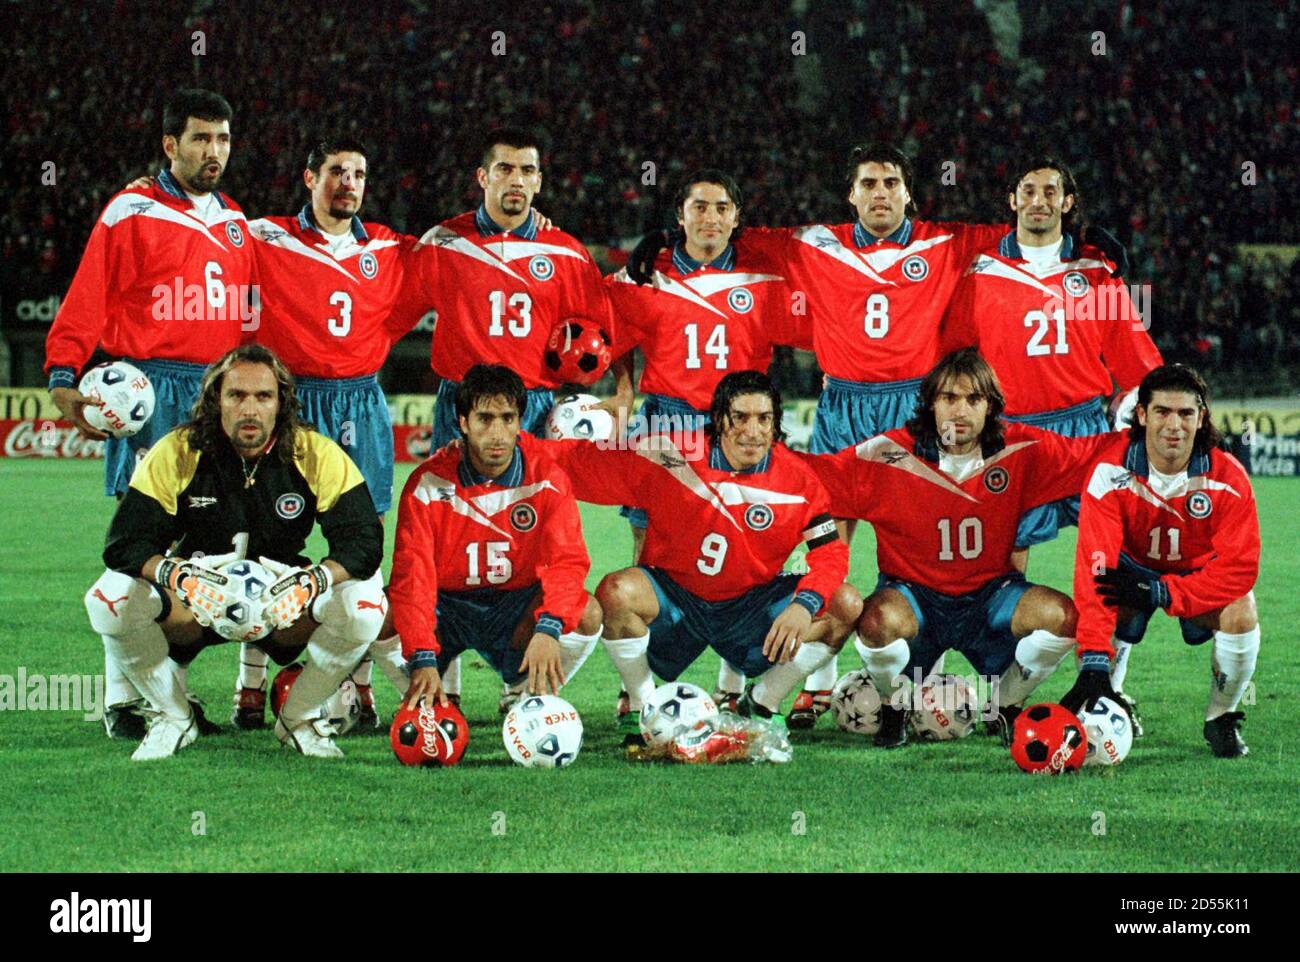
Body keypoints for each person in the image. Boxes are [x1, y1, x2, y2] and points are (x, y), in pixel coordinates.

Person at [628, 142, 1128, 724]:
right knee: (821, 529)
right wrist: (663, 241)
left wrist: (1089, 241)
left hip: (913, 402)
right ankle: (817, 680)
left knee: (936, 527)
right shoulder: (817, 243)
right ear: (852, 194)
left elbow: (1023, 231)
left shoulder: (945, 240)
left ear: (908, 191)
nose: (880, 193)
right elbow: (732, 238)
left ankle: (952, 667)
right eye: (868, 183)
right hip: (843, 400)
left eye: (890, 182)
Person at [46, 88, 257, 740]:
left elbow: (251, 316)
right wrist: (61, 371)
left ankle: (168, 696)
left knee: (206, 550)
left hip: (215, 397)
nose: (213, 151)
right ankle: (120, 701)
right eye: (200, 139)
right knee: (143, 545)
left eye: (222, 139)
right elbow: (89, 294)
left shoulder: (234, 223)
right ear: (170, 144)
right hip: (152, 392)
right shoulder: (131, 210)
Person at [388, 126, 614, 711]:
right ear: (483, 177)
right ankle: (444, 685)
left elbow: (600, 337)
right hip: (463, 403)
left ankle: (524, 675)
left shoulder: (566, 252)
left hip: (534, 403)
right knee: (447, 530)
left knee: (539, 531)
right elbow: (390, 316)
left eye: (528, 172)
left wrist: (611, 394)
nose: (518, 182)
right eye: (506, 170)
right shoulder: (443, 242)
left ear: (540, 180)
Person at [800, 349, 1120, 747]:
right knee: (875, 622)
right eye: (949, 398)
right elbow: (814, 477)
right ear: (930, 403)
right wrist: (758, 456)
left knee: (1063, 617)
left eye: (974, 399)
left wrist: (1152, 436)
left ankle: (1003, 703)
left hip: (990, 599)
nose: (960, 411)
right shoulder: (886, 455)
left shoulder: (1022, 448)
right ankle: (895, 706)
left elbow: (1094, 454)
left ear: (991, 407)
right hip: (912, 597)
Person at [82, 345, 387, 760]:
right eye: (236, 395)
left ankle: (297, 718)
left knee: (367, 602)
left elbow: (364, 541)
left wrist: (311, 581)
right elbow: (123, 543)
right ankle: (173, 716)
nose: (250, 409)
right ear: (215, 401)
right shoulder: (178, 449)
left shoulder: (314, 451)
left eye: (263, 397)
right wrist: (179, 577)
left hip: (282, 602)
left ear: (281, 403)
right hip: (193, 601)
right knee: (108, 597)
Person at [549, 370, 862, 750]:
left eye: (763, 419)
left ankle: (762, 702)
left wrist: (803, 603)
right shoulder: (670, 453)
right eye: (740, 417)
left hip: (749, 605)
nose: (752, 430)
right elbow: (585, 466)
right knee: (617, 591)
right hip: (676, 597)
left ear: (776, 423)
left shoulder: (799, 480)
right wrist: (520, 451)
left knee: (844, 604)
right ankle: (647, 708)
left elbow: (830, 553)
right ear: (719, 420)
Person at [229, 137, 419, 731]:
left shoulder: (390, 246)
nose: (349, 183)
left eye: (359, 173)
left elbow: (463, 248)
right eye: (336, 171)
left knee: (362, 544)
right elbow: (202, 228)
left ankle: (360, 691)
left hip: (359, 401)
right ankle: (249, 685)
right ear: (309, 177)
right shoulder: (265, 235)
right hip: (288, 400)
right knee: (264, 541)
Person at [605, 169, 804, 712]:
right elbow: (611, 327)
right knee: (649, 551)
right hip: (666, 422)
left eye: (721, 207)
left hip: (737, 428)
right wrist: (623, 390)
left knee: (746, 549)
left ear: (737, 218)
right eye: (699, 207)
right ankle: (637, 689)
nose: (710, 217)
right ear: (680, 216)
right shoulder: (645, 274)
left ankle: (734, 683)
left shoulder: (766, 274)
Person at [941, 158, 1162, 564]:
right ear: (1012, 200)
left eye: (1050, 191)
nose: (1038, 200)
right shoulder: (981, 271)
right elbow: (950, 354)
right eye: (1028, 190)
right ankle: (1014, 626)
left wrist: (1144, 408)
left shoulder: (1095, 271)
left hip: (1084, 429)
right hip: (1012, 433)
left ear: (1067, 202)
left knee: (1116, 547)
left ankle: (1104, 629)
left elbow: (1133, 354)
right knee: (1004, 553)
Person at [1059, 365, 1260, 757]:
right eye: (1163, 411)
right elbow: (1094, 567)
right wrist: (1093, 661)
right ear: (1142, 415)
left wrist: (1165, 592)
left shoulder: (1228, 478)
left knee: (1242, 611)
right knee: (1106, 592)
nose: (1174, 425)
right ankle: (1110, 695)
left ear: (1201, 418)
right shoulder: (1111, 471)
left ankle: (1221, 717)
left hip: (1195, 576)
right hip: (1128, 572)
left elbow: (1239, 568)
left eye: (1185, 414)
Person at [384, 364, 603, 709]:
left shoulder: (547, 476)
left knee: (586, 611)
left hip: (514, 607)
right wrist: (422, 656)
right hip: (448, 606)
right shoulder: (427, 484)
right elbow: (413, 576)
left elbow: (567, 562)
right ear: (463, 423)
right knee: (377, 611)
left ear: (519, 422)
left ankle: (526, 693)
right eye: (485, 419)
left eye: (507, 418)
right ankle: (428, 699)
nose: (498, 433)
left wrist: (549, 627)